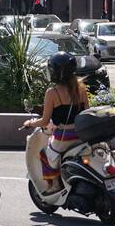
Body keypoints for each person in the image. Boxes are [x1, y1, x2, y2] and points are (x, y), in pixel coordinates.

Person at [21, 52, 89, 194]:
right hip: (81, 135)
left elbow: (45, 121)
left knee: (44, 154)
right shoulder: (81, 88)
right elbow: (86, 113)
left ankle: (56, 185)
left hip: (64, 137)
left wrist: (30, 123)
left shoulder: (52, 93)